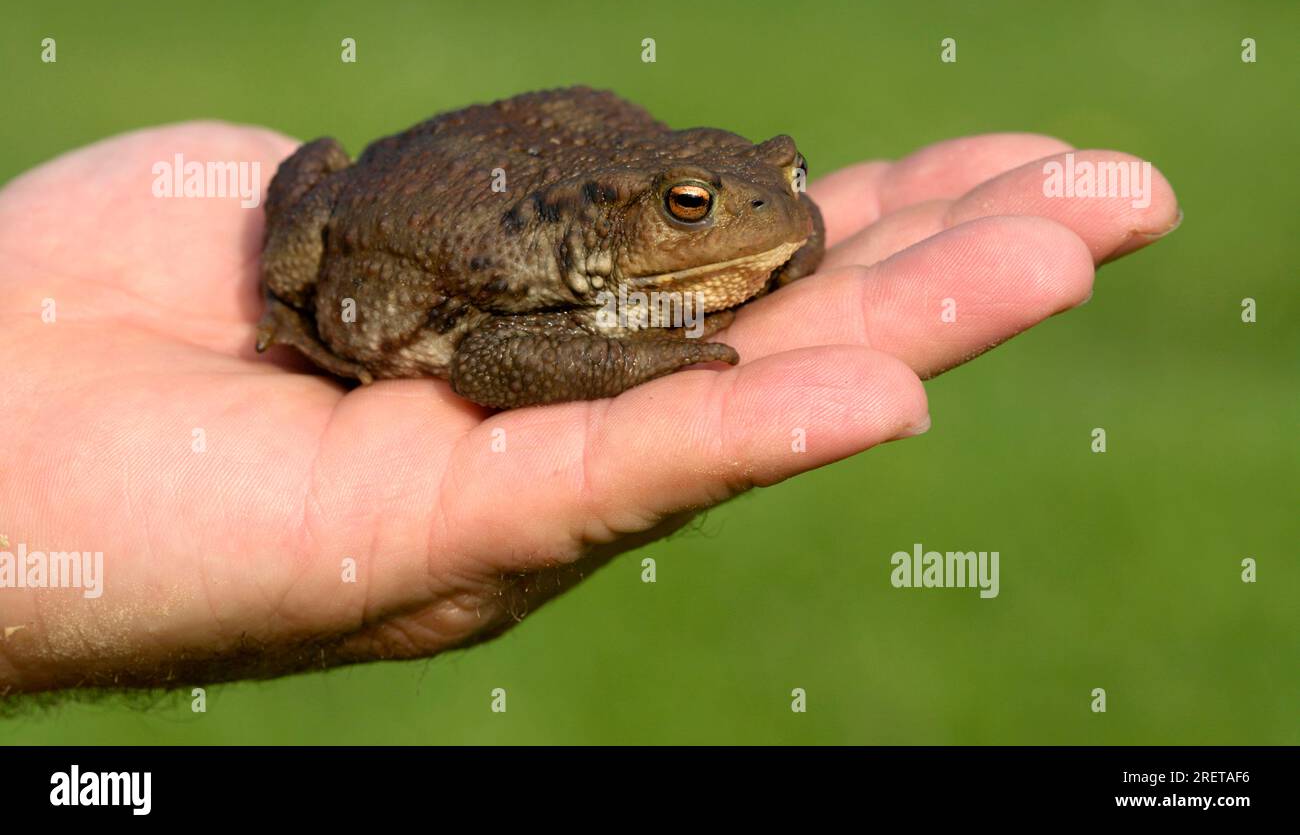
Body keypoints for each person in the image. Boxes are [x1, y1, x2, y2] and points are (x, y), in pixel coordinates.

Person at [0, 122, 1180, 692]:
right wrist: (638, 361)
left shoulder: (683, 230)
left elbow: (773, 211)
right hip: (400, 225)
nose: (782, 213)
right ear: (624, 218)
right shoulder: (533, 278)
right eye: (687, 207)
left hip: (554, 145)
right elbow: (488, 365)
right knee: (312, 227)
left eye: (787, 184)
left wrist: (758, 242)